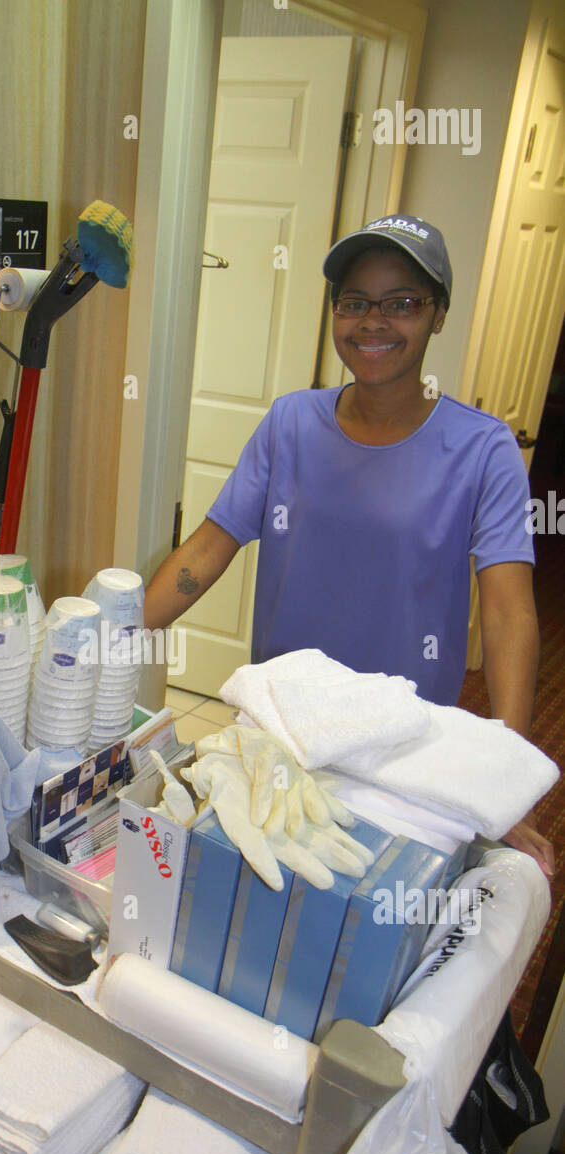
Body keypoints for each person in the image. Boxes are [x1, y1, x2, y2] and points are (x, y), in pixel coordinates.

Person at [143, 214, 555, 876]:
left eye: (402, 304)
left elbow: (509, 612)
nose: (373, 322)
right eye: (355, 302)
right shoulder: (291, 423)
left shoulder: (483, 450)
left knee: (364, 918)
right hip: (280, 730)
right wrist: (106, 634)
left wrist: (502, 786)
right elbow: (208, 549)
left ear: (439, 314)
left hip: (406, 750)